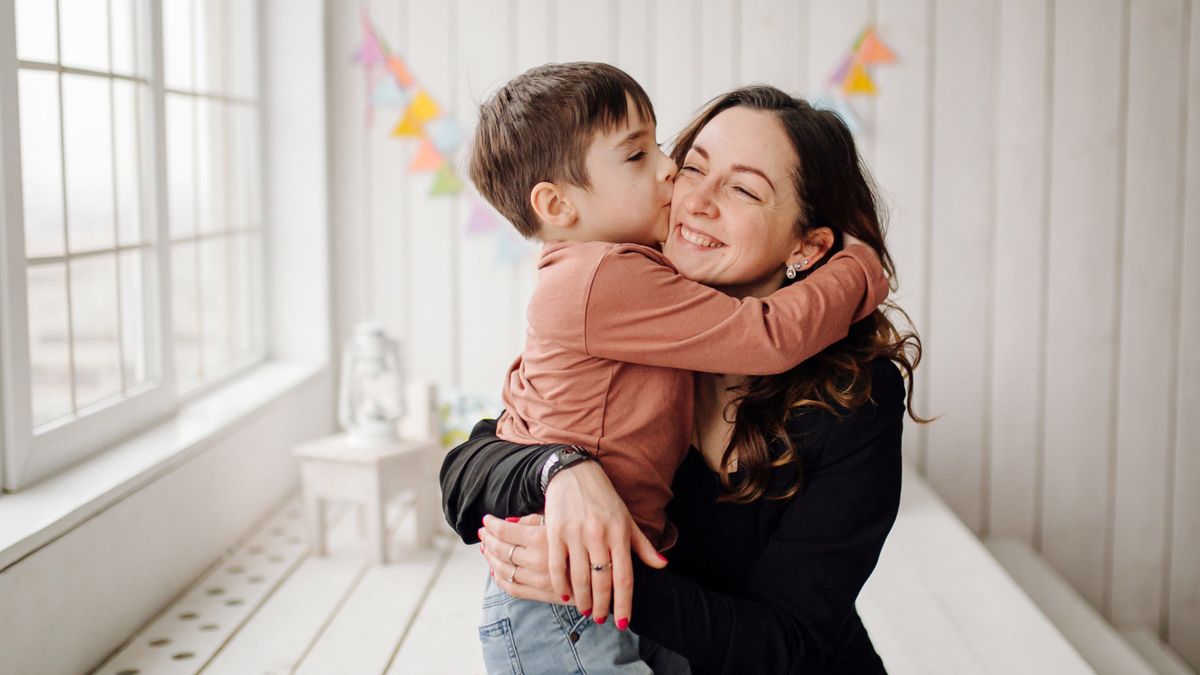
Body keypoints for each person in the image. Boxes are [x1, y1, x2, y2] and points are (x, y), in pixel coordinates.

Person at [442, 84, 924, 674]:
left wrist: (601, 575)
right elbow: (467, 471)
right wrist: (562, 470)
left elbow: (789, 641)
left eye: (744, 188)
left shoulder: (858, 397)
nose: (693, 197)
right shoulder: (630, 317)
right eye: (692, 167)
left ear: (807, 245)